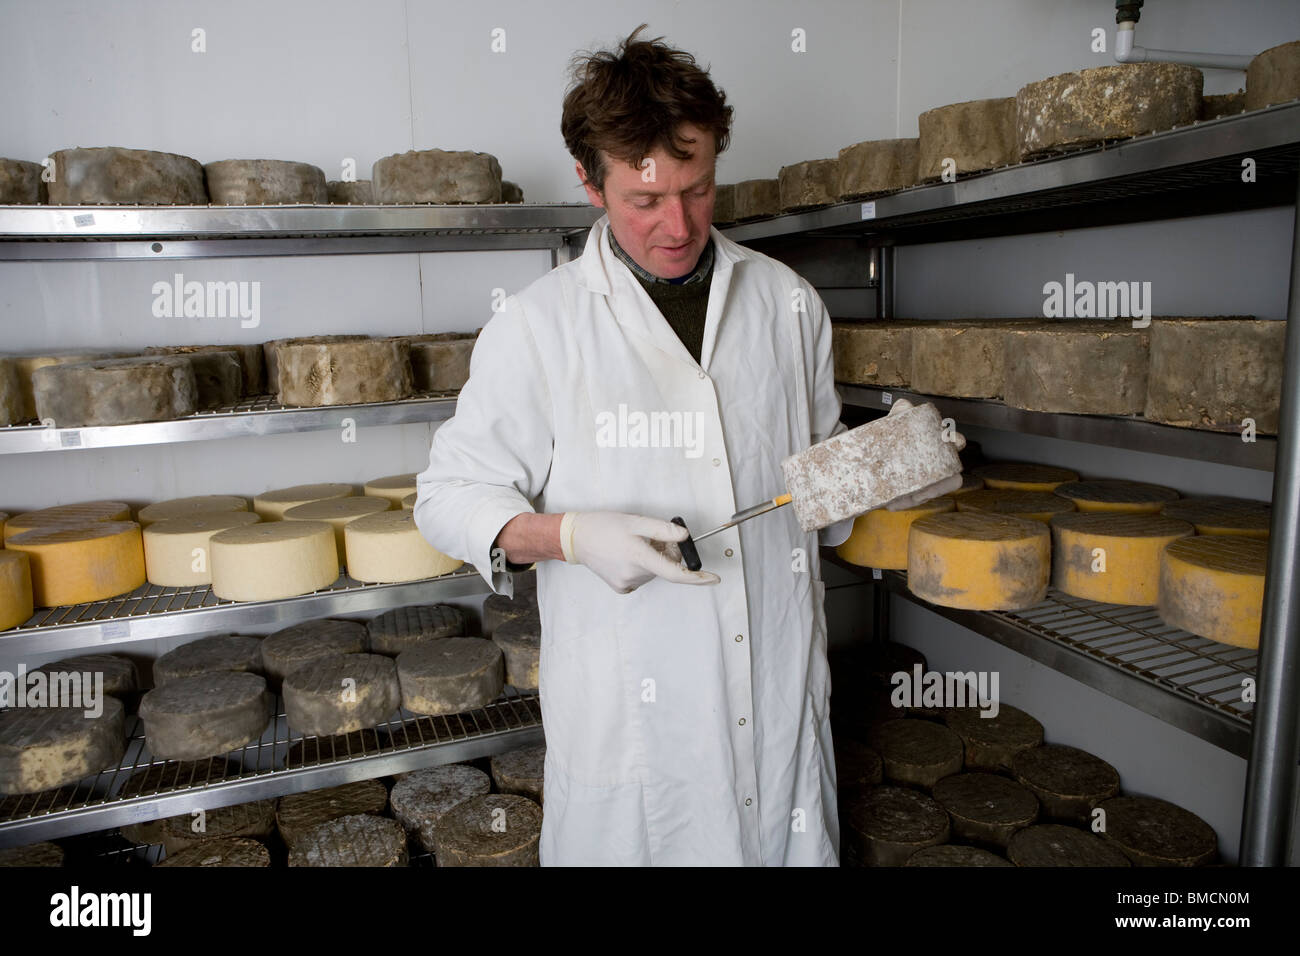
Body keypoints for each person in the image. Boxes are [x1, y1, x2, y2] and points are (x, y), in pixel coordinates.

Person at [415, 25, 857, 865]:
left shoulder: (788, 304)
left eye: (696, 189)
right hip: (636, 730)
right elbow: (446, 500)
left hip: (777, 700)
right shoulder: (538, 327)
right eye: (645, 201)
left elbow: (817, 490)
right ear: (589, 183)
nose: (678, 225)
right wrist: (569, 537)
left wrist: (891, 466)